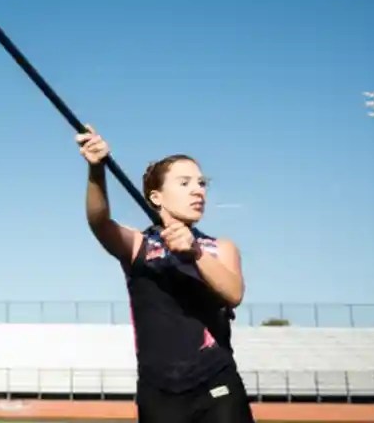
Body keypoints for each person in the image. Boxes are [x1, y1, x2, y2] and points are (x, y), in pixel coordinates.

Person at [77, 125, 254, 423]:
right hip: (158, 392)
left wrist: (194, 251)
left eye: (201, 183)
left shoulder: (220, 247)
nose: (198, 190)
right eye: (185, 183)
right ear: (156, 197)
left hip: (216, 382)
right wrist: (96, 172)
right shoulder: (138, 246)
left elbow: (233, 294)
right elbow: (99, 221)